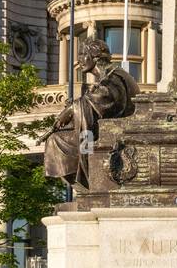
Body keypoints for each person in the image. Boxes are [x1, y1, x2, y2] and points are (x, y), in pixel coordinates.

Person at [43, 38, 137, 191]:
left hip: (114, 134)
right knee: (58, 139)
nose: (79, 60)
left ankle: (86, 183)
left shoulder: (114, 77)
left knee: (56, 141)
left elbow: (103, 101)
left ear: (95, 56)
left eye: (82, 54)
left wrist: (72, 109)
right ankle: (84, 185)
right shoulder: (110, 76)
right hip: (106, 131)